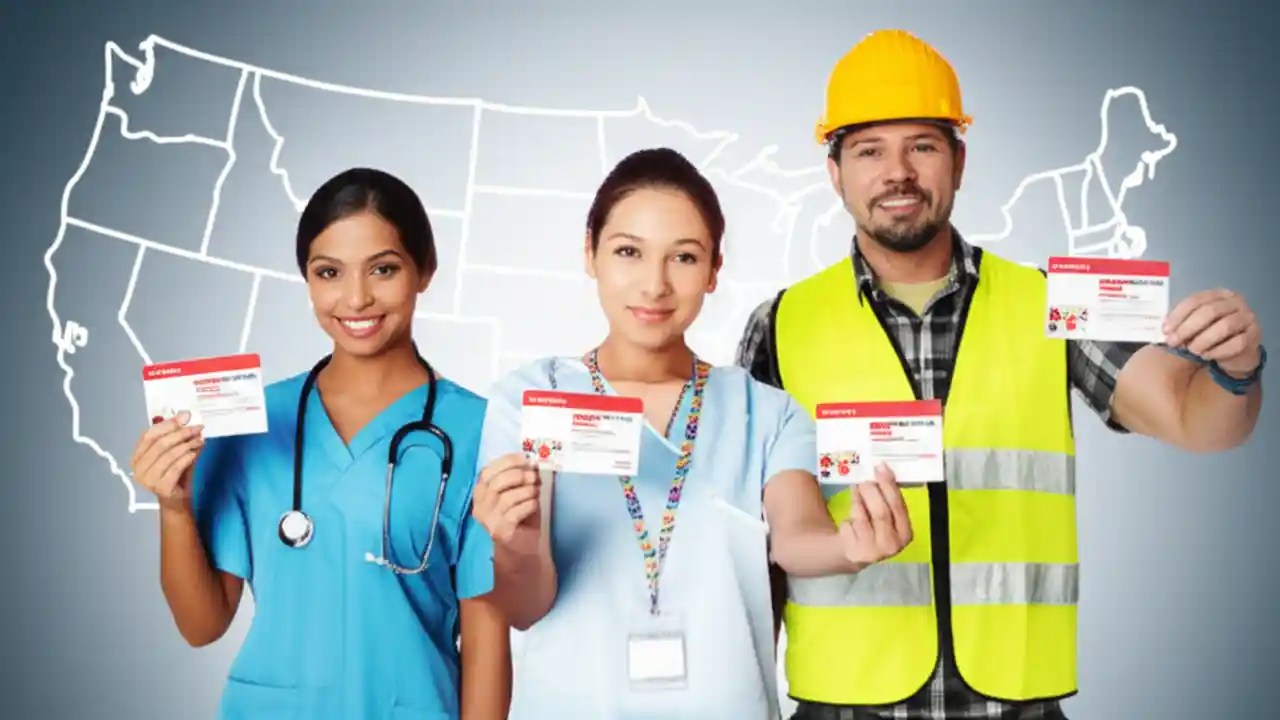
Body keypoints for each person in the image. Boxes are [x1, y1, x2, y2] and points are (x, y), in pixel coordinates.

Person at [735, 28, 1266, 720]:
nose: (897, 172)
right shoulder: (779, 324)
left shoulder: (1052, 301)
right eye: (869, 150)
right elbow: (758, 544)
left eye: (922, 146)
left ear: (959, 161)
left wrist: (1235, 368)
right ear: (835, 171)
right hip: (843, 704)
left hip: (1015, 705)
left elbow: (1198, 420)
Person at [467, 147, 915, 719]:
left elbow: (797, 535)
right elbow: (524, 607)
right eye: (629, 251)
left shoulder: (766, 412)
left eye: (683, 257)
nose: (654, 284)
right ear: (590, 253)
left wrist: (850, 549)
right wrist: (514, 541)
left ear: (713, 271)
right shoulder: (530, 400)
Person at [129, 167, 510, 719]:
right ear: (307, 279)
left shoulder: (480, 431)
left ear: (425, 270)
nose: (355, 298)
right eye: (329, 272)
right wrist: (173, 507)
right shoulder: (253, 423)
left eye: (383, 269)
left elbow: (486, 637)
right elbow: (202, 625)